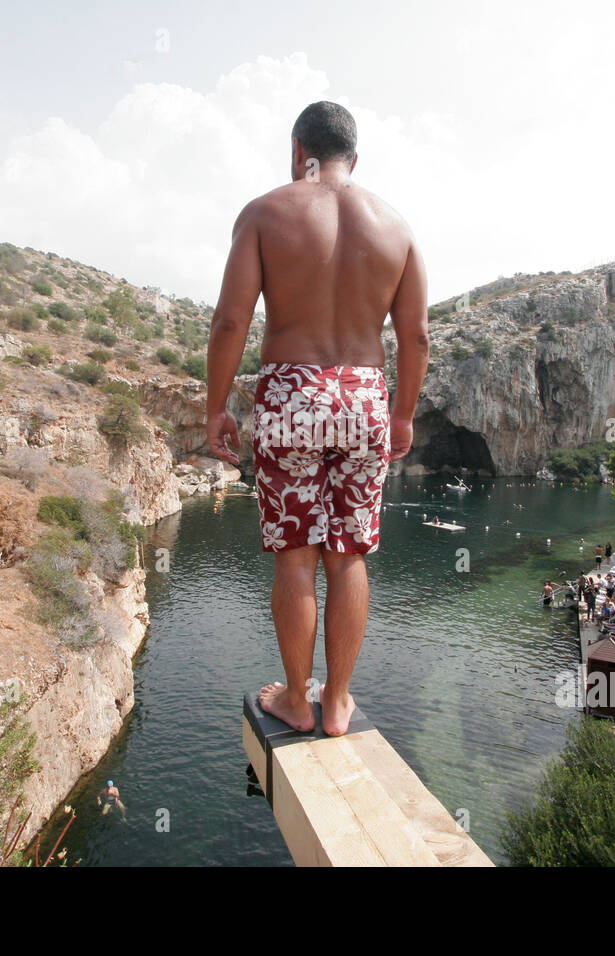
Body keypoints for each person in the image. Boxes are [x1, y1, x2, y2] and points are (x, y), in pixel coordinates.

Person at [206, 102, 428, 737]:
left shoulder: (265, 213)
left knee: (295, 557)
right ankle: (338, 703)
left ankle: (296, 701)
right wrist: (403, 415)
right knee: (349, 555)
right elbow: (415, 337)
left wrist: (217, 405)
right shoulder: (396, 226)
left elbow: (230, 321)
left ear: (297, 147)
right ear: (353, 159)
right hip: (363, 395)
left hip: (290, 393)